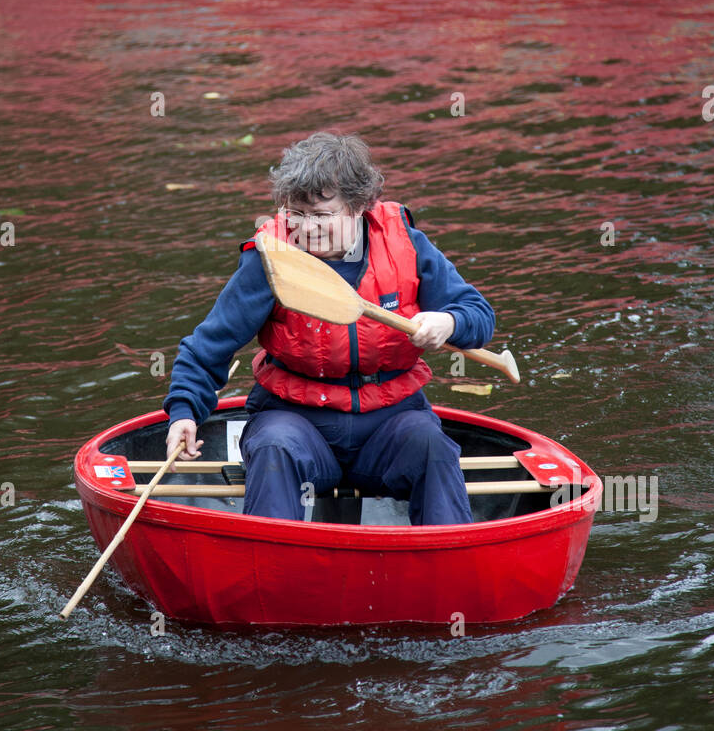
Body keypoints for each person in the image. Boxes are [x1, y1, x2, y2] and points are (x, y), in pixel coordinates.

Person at [164, 132, 495, 525]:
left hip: (390, 420)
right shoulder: (271, 260)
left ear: (359, 208)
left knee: (433, 448)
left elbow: (479, 316)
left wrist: (449, 321)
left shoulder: (406, 244)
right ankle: (272, 571)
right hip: (297, 419)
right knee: (274, 447)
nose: (307, 230)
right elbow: (209, 347)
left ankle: (447, 567)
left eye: (322, 216)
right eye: (297, 215)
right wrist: (183, 411)